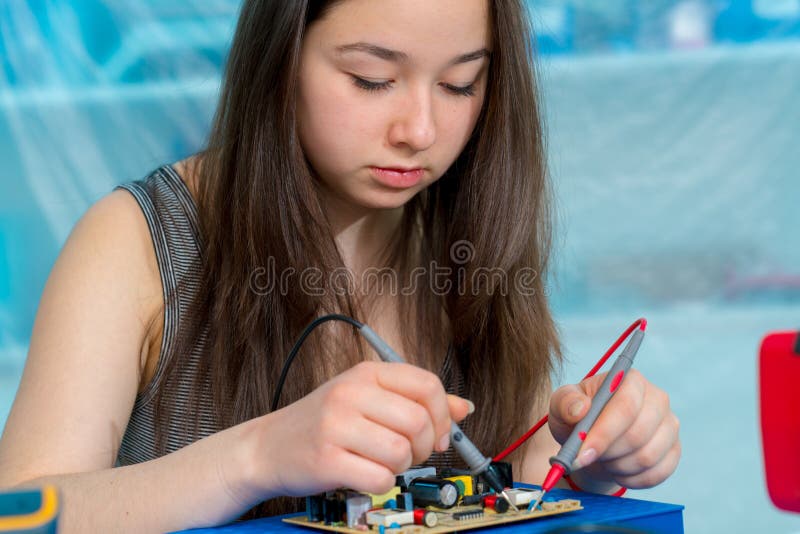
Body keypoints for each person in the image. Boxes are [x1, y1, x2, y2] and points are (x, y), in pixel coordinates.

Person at [0, 1, 681, 532]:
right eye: (372, 79)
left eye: (460, 83)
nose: (419, 129)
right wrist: (255, 458)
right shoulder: (137, 240)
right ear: (280, 57)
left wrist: (591, 458)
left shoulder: (466, 237)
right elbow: (23, 516)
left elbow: (504, 489)